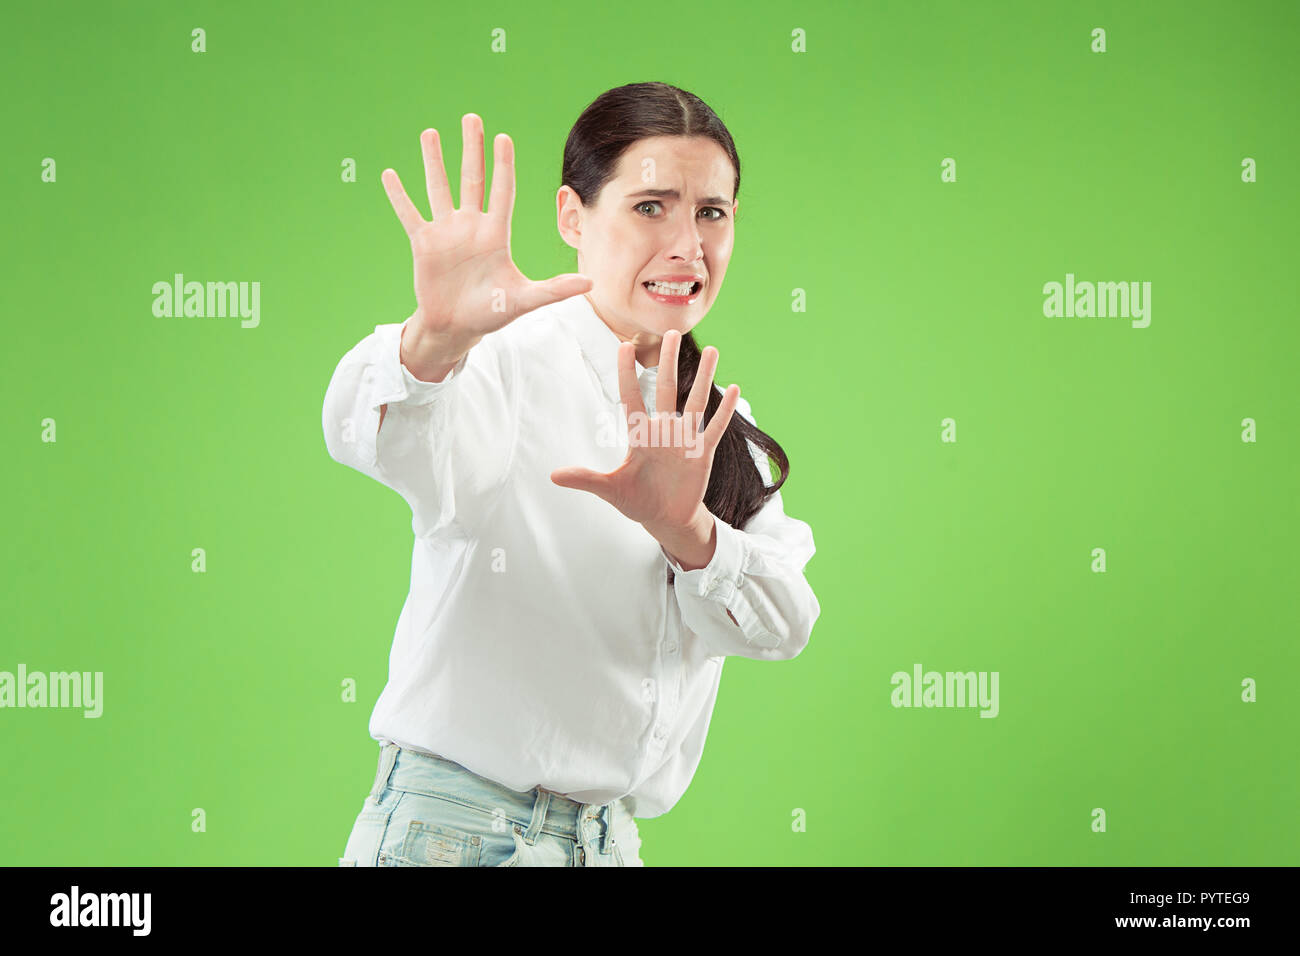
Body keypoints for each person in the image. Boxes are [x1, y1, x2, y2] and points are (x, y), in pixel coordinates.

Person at [324, 82, 820, 867]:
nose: (687, 244)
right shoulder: (507, 358)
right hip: (458, 834)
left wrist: (685, 531)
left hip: (604, 840)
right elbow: (376, 433)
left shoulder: (715, 418)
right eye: (650, 206)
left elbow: (784, 623)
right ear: (571, 217)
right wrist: (432, 341)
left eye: (712, 212)